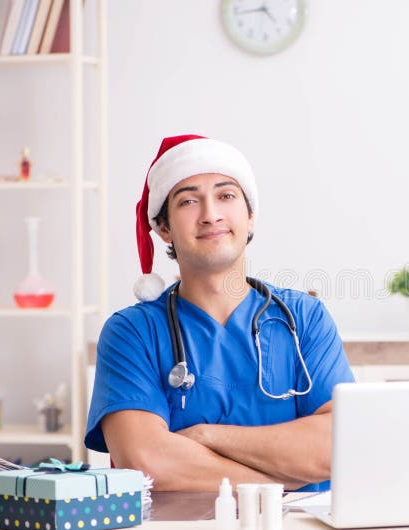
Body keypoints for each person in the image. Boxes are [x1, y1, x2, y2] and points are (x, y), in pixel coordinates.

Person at [85, 134, 355, 492]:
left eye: (226, 196)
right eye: (189, 201)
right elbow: (148, 462)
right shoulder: (131, 333)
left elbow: (341, 446)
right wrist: (285, 478)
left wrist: (206, 436)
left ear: (251, 217)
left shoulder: (304, 318)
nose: (210, 214)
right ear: (163, 228)